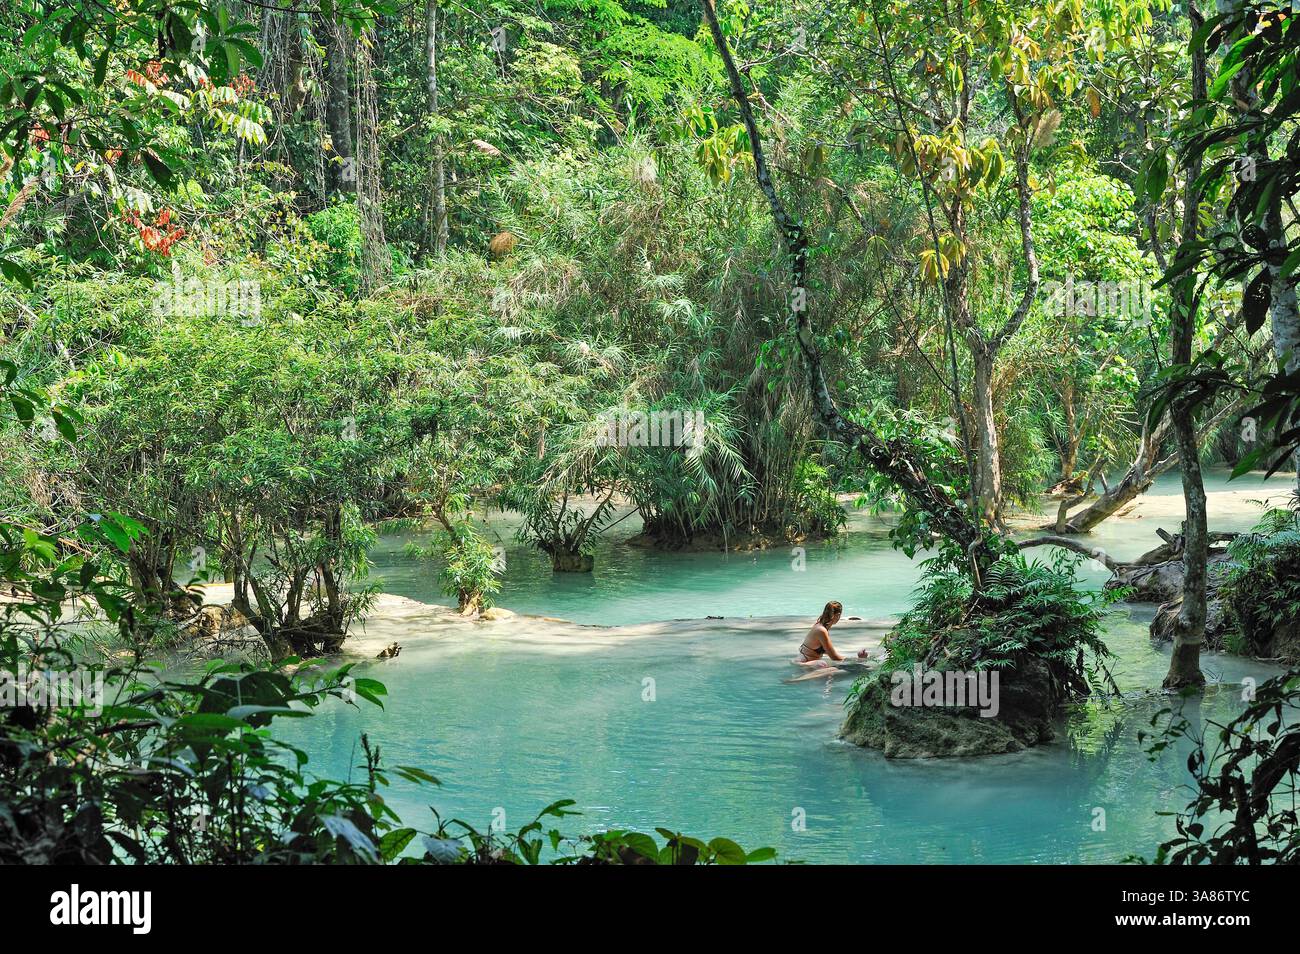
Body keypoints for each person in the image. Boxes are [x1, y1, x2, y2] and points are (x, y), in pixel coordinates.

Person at [796, 600, 869, 664]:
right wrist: (858, 660)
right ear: (838, 615)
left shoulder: (820, 626)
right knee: (823, 665)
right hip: (804, 664)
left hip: (807, 662)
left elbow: (830, 653)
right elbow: (834, 657)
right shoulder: (821, 630)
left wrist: (855, 659)